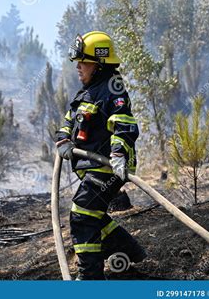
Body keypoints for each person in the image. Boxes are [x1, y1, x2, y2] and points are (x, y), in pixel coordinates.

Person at [55, 31, 146, 280]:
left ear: (99, 63)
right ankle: (126, 248)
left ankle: (90, 277)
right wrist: (63, 139)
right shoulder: (87, 92)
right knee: (91, 216)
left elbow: (124, 123)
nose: (78, 67)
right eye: (77, 62)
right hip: (92, 168)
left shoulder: (111, 89)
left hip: (107, 169)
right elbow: (70, 119)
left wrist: (117, 153)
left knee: (82, 216)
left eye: (83, 61)